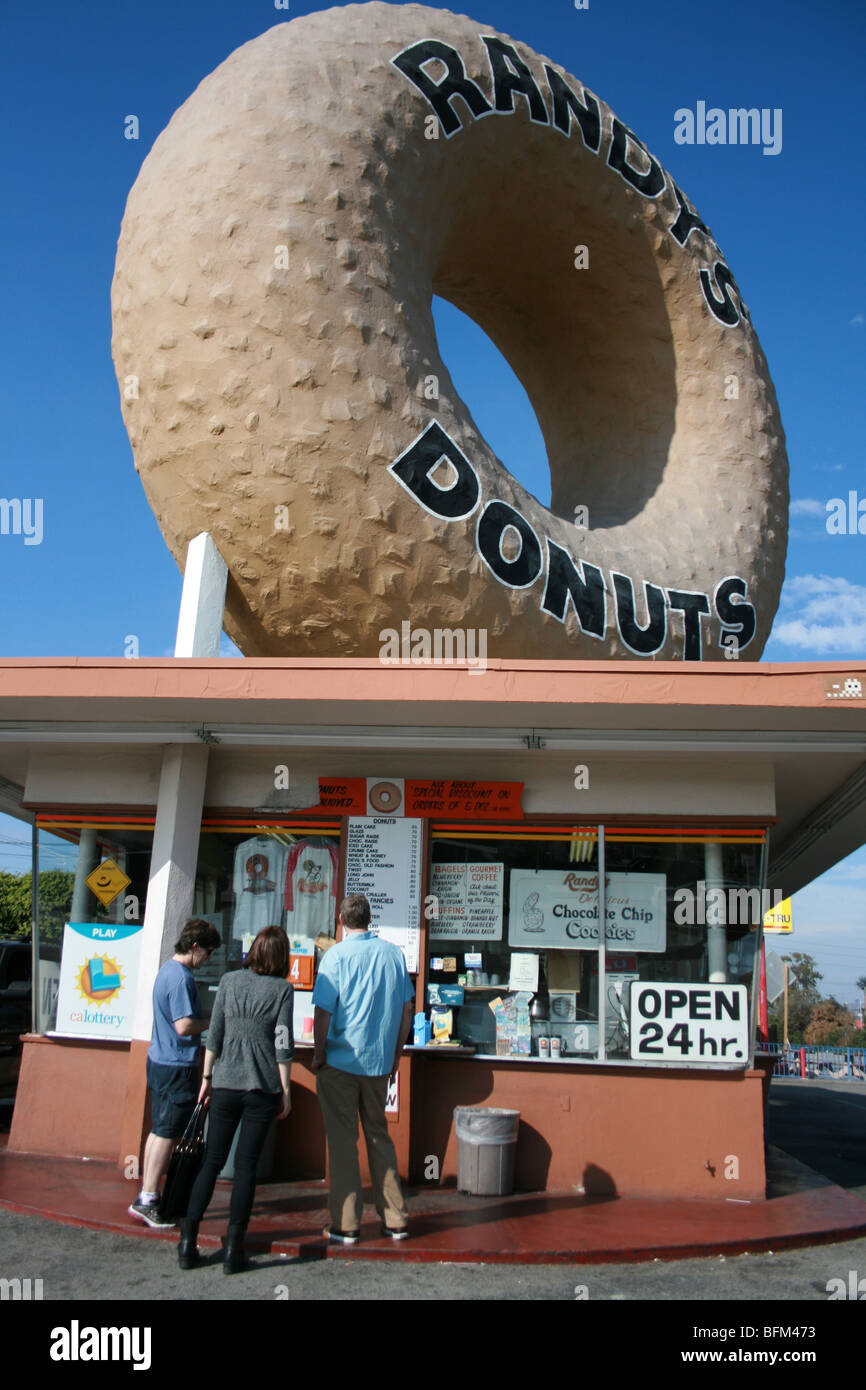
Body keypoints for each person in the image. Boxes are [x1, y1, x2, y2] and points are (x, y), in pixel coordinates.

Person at [178, 924, 293, 1274]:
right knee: (246, 1169)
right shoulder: (283, 989)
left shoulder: (228, 981)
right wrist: (286, 1092)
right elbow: (283, 1045)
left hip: (225, 1082)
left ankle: (188, 1241)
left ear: (254, 950)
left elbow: (214, 1034)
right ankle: (233, 1249)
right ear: (281, 956)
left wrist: (207, 1077)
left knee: (211, 1162)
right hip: (261, 1087)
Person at [311, 893, 414, 1243]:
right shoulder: (393, 955)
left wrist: (318, 1054)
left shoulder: (334, 956)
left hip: (339, 1062)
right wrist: (395, 1055)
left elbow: (323, 1013)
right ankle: (396, 1217)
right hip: (378, 1064)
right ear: (370, 919)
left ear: (341, 920)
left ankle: (347, 1223)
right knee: (379, 1136)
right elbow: (406, 1012)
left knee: (343, 1142)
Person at [129, 917, 222, 1228]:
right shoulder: (181, 978)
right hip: (176, 1064)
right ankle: (149, 1198)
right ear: (194, 947)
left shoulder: (166, 971)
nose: (208, 959)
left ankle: (146, 1194)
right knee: (167, 1134)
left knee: (158, 1130)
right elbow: (183, 1026)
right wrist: (213, 1020)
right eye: (208, 952)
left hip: (158, 1060)